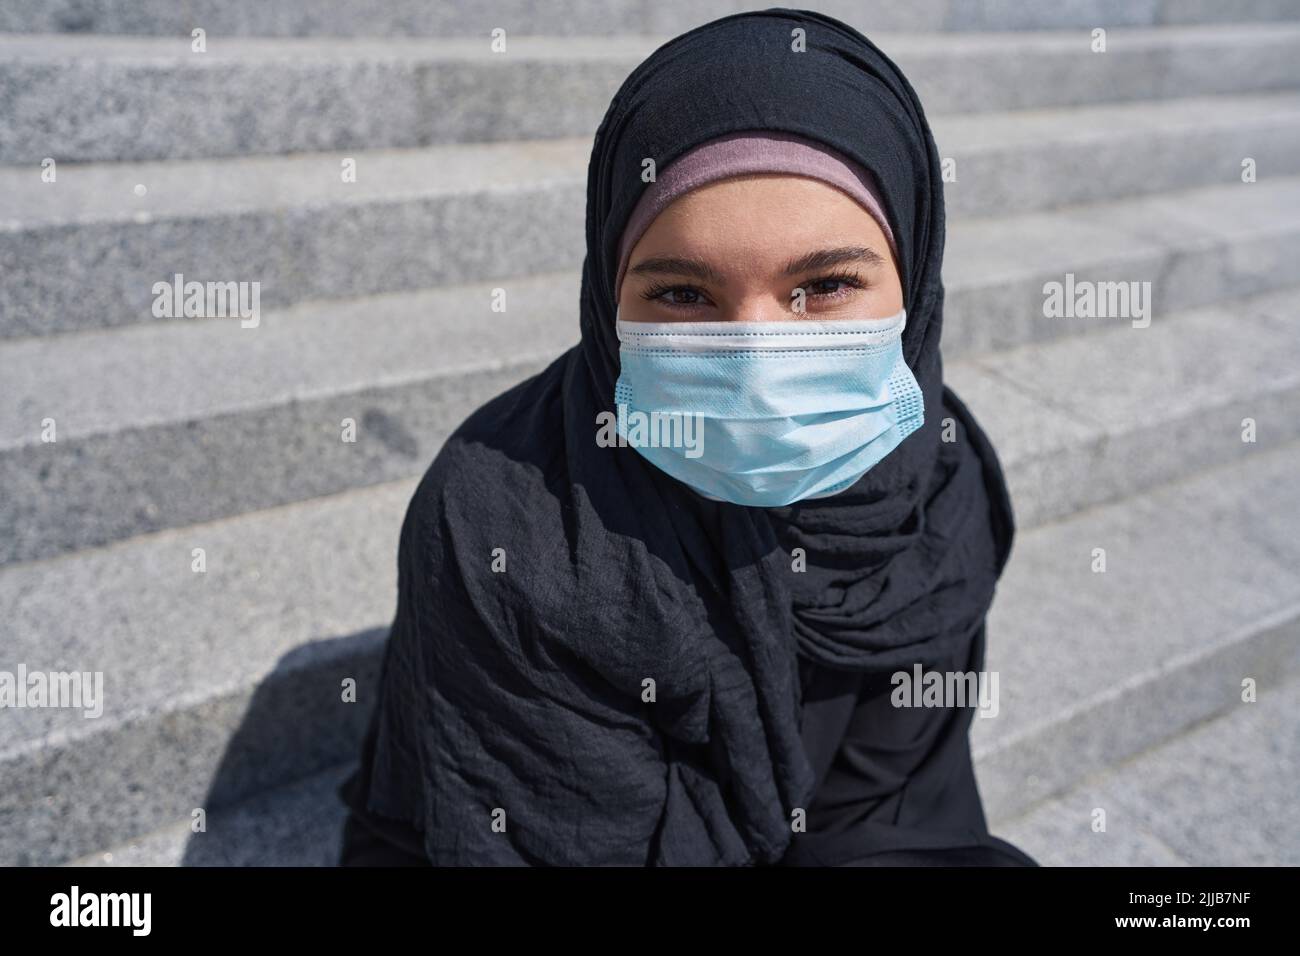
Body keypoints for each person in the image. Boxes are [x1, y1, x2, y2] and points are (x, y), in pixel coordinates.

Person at [337, 6, 1038, 867]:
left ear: (915, 277)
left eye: (824, 285)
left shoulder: (931, 482)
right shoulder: (507, 527)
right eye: (681, 294)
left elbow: (899, 812)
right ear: (609, 296)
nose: (754, 360)